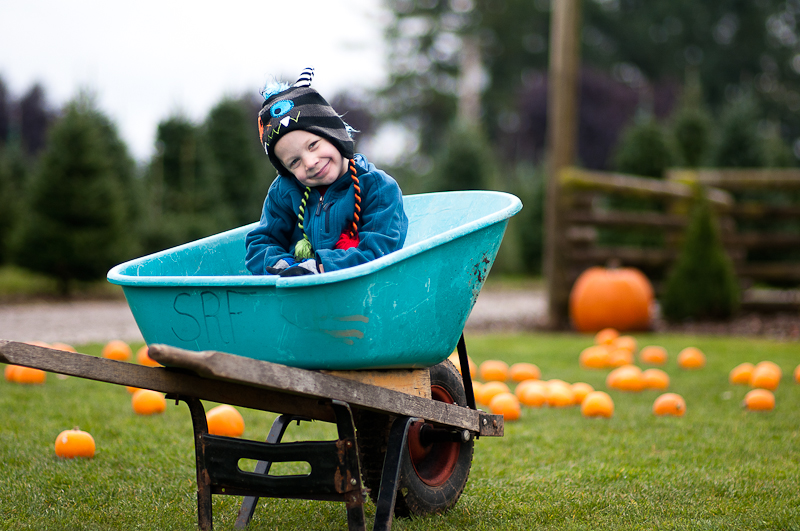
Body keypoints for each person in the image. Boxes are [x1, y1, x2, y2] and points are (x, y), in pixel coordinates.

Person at [245, 68, 408, 277]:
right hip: (299, 296)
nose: (310, 162)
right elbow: (261, 243)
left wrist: (320, 268)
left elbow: (379, 252)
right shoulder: (285, 191)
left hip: (363, 291)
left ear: (333, 134)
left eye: (313, 145)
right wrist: (284, 265)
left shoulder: (377, 188)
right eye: (294, 161)